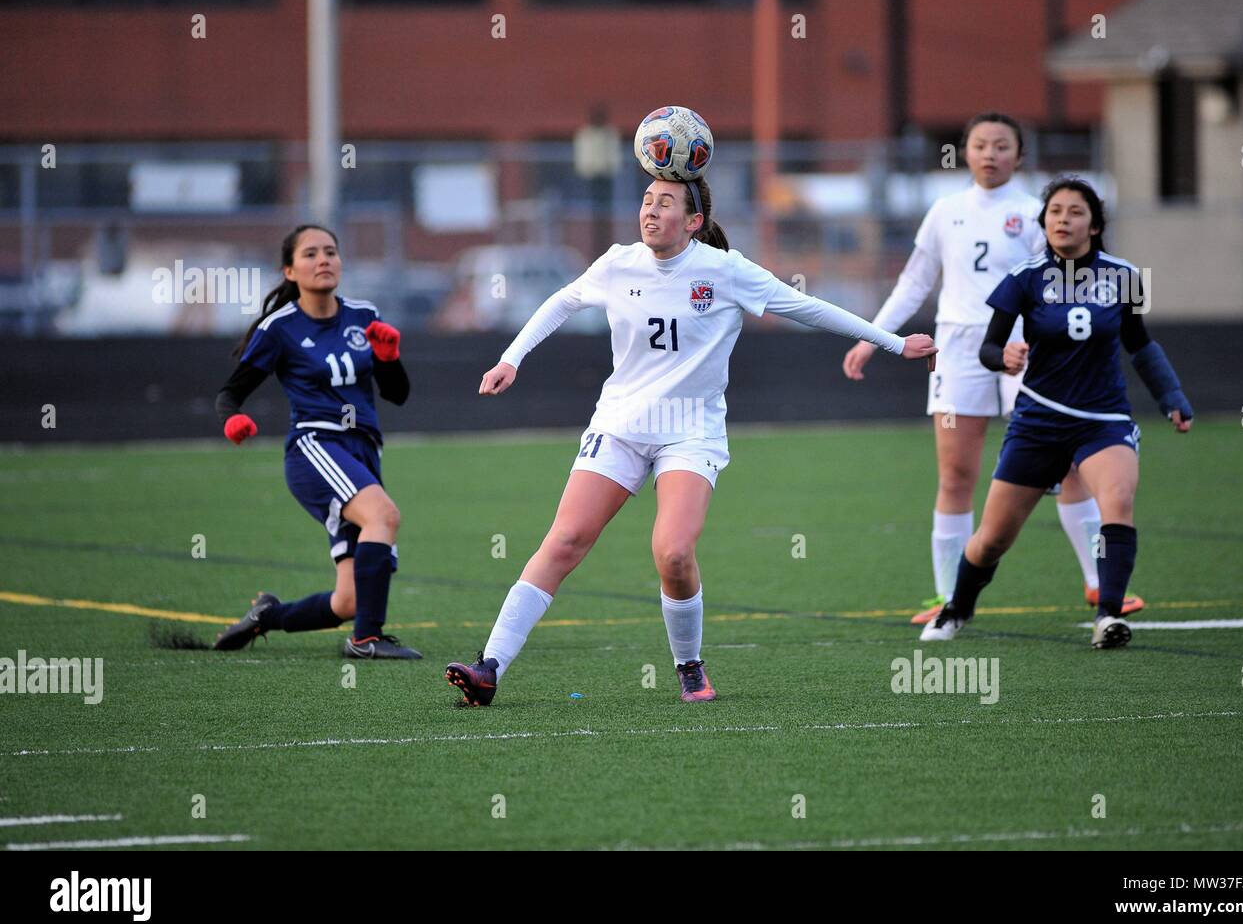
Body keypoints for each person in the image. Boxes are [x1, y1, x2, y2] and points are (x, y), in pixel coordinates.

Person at [445, 176, 937, 706]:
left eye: (666, 204)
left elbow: (807, 307)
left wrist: (891, 342)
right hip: (619, 425)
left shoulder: (725, 271)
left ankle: (688, 665)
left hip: (690, 431)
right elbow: (560, 303)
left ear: (695, 221)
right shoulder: (617, 263)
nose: (650, 212)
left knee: (674, 552)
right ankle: (489, 667)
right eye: (646, 201)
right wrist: (510, 359)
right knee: (563, 542)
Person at [842, 112, 1143, 624]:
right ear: (965, 152)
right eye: (980, 144)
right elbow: (915, 283)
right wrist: (877, 338)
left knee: (1068, 467)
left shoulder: (1035, 214)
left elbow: (1064, 278)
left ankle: (1098, 585)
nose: (990, 154)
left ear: (1019, 157)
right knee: (956, 473)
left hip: (1024, 349)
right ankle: (945, 598)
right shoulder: (945, 210)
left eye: (1002, 146)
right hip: (959, 349)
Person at [920, 176, 1193, 648]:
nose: (1063, 220)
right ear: (1043, 222)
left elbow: (1139, 344)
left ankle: (1108, 614)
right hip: (1038, 420)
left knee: (1118, 504)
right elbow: (988, 347)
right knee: (992, 538)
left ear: (1095, 224)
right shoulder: (1024, 277)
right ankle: (957, 608)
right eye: (1055, 212)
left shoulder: (1122, 276)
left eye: (1075, 212)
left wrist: (1171, 396)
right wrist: (1002, 358)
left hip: (1103, 419)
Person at [211, 224, 420, 660]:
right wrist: (232, 420)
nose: (323, 260)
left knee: (349, 602)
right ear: (289, 270)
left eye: (330, 251)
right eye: (310, 254)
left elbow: (397, 394)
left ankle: (267, 616)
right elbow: (230, 392)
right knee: (383, 516)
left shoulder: (364, 315)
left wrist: (389, 357)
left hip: (363, 450)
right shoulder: (280, 328)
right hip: (315, 447)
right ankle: (367, 641)